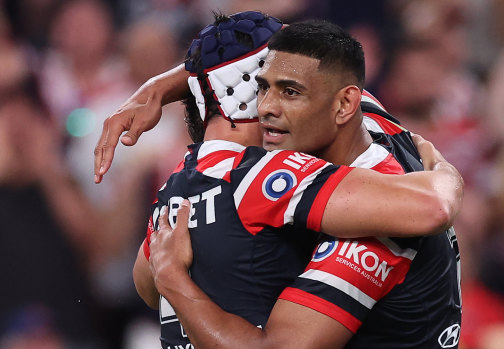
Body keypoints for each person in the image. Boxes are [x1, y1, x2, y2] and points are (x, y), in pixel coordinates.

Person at [100, 12, 463, 348]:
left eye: (288, 91)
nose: (269, 106)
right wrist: (445, 169)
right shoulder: (373, 123)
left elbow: (146, 283)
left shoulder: (181, 184)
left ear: (341, 104)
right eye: (263, 88)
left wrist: (172, 280)